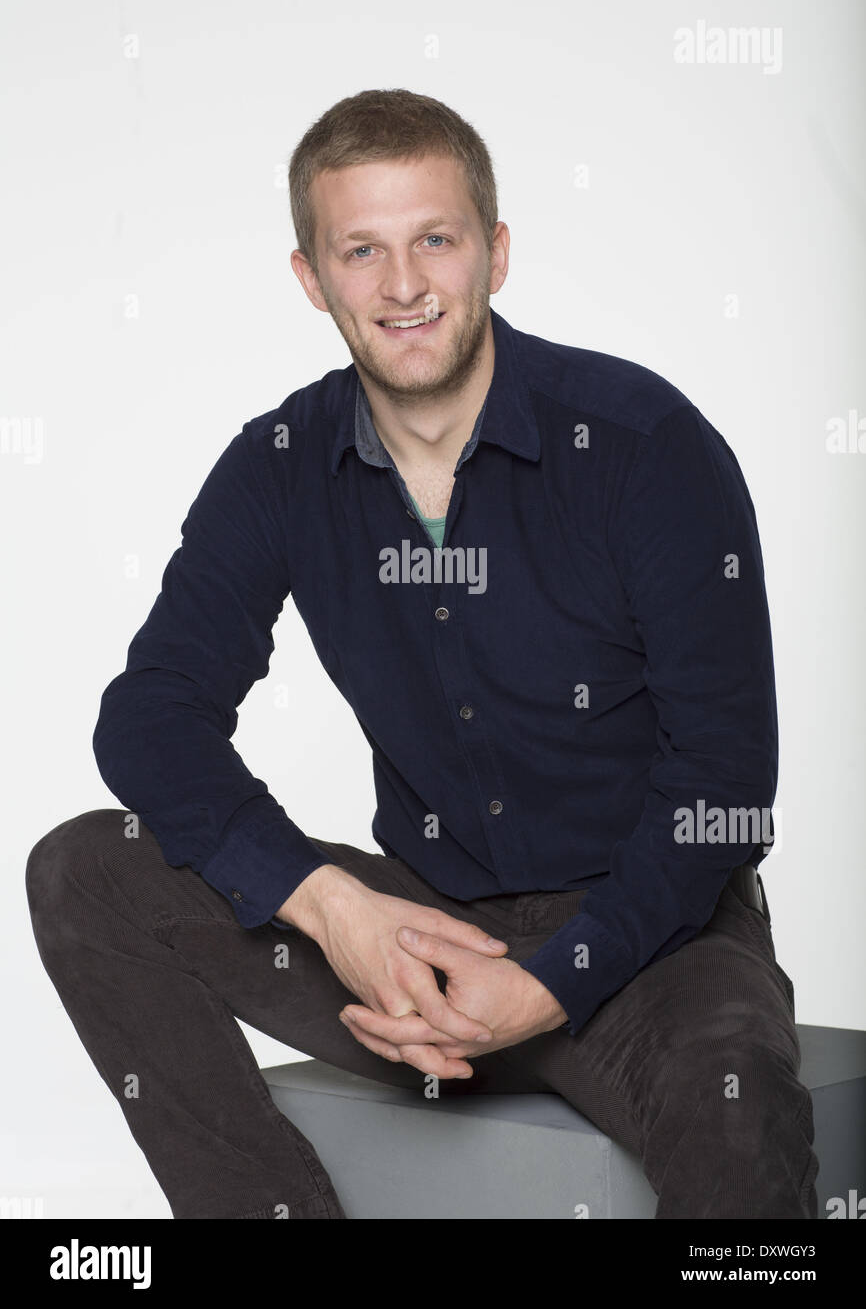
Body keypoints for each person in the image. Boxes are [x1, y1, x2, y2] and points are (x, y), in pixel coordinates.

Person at [26, 88, 818, 1220]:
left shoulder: (646, 447)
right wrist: (330, 906)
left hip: (652, 935)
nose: (402, 287)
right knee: (85, 869)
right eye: (362, 251)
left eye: (433, 240)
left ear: (493, 253)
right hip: (416, 936)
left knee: (734, 1113)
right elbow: (150, 716)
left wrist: (551, 981)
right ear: (312, 277)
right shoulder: (278, 467)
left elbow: (726, 788)